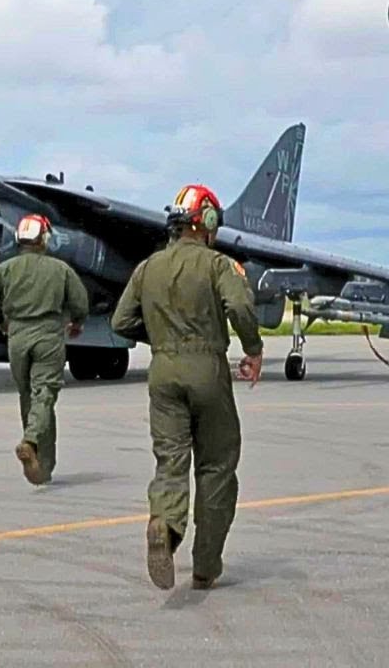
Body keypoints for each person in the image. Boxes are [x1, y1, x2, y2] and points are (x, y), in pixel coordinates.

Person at [110, 184, 263, 591]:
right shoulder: (218, 265)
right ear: (208, 222)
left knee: (170, 461)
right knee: (216, 466)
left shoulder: (147, 268)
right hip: (208, 370)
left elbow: (120, 323)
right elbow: (241, 307)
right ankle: (206, 565)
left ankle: (165, 524)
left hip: (163, 372)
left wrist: (162, 338)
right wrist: (253, 349)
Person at [0, 214, 89, 485]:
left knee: (29, 397)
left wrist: (2, 321)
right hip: (48, 337)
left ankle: (43, 466)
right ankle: (30, 441)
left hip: (17, 338)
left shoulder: (5, 269)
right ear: (45, 238)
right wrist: (77, 323)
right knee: (45, 394)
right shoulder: (60, 269)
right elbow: (80, 303)